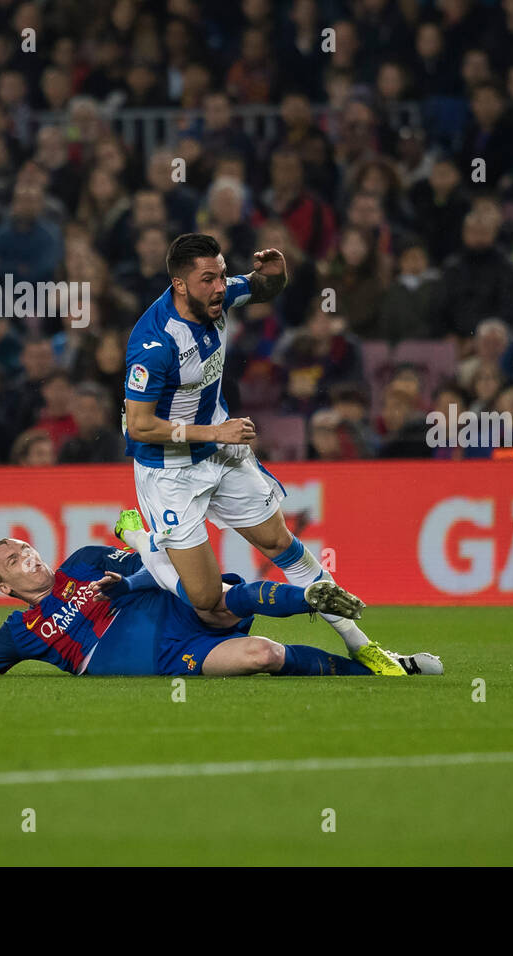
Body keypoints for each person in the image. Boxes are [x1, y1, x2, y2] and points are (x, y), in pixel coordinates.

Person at [122, 233, 407, 676]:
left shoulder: (217, 295)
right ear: (180, 285)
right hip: (170, 472)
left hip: (221, 452)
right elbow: (140, 426)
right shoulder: (154, 343)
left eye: (221, 275)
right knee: (205, 600)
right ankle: (142, 540)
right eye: (207, 280)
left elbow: (262, 286)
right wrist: (215, 431)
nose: (220, 287)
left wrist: (276, 274)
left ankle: (363, 646)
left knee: (280, 542)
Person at [0, 532, 440, 678]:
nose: (28, 558)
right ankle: (375, 666)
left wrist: (129, 585)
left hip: (168, 613)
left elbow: (156, 566)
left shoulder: (86, 561)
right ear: (4, 586)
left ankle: (310, 596)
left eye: (26, 548)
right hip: (163, 659)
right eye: (13, 561)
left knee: (213, 595)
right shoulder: (21, 631)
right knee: (263, 656)